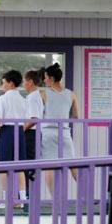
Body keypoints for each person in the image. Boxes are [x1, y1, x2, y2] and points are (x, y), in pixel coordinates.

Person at [0, 69, 27, 208]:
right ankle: (21, 200)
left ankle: (6, 200)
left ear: (10, 83)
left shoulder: (3, 99)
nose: (2, 85)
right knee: (20, 166)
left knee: (4, 167)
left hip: (7, 132)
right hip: (20, 132)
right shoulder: (23, 99)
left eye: (3, 82)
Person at [39, 63, 79, 194]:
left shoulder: (43, 93)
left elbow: (37, 114)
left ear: (51, 78)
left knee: (49, 165)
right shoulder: (71, 94)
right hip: (65, 132)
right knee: (72, 164)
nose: (44, 80)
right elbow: (76, 116)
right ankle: (85, 192)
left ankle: (54, 198)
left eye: (45, 78)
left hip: (48, 132)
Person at [22, 69, 44, 183]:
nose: (23, 84)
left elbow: (34, 119)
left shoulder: (32, 98)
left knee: (26, 165)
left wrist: (23, 128)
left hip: (31, 134)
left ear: (30, 82)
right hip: (34, 134)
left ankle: (25, 197)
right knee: (28, 165)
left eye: (24, 81)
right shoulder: (35, 96)